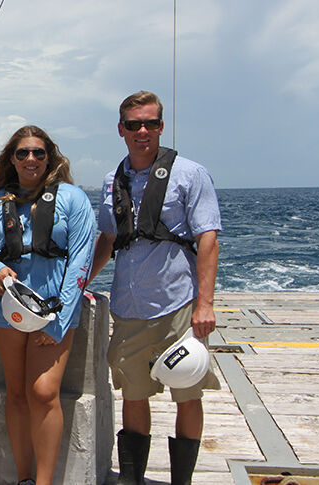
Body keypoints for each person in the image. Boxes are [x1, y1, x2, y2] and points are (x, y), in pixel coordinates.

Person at [88, 91, 221, 485]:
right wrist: (79, 283)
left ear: (161, 127)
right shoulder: (112, 181)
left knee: (188, 392)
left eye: (150, 123)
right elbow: (107, 239)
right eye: (134, 124)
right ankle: (133, 479)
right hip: (129, 307)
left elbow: (208, 239)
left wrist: (205, 304)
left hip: (179, 305)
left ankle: (182, 481)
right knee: (133, 393)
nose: (142, 131)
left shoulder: (191, 174)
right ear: (121, 130)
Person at [0, 126, 95, 485]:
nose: (31, 159)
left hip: (53, 313)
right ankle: (23, 477)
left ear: (49, 158)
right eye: (22, 152)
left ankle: (44, 481)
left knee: (43, 392)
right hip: (7, 311)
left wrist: (58, 321)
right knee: (17, 394)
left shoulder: (73, 199)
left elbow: (81, 262)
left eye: (39, 152)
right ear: (12, 158)